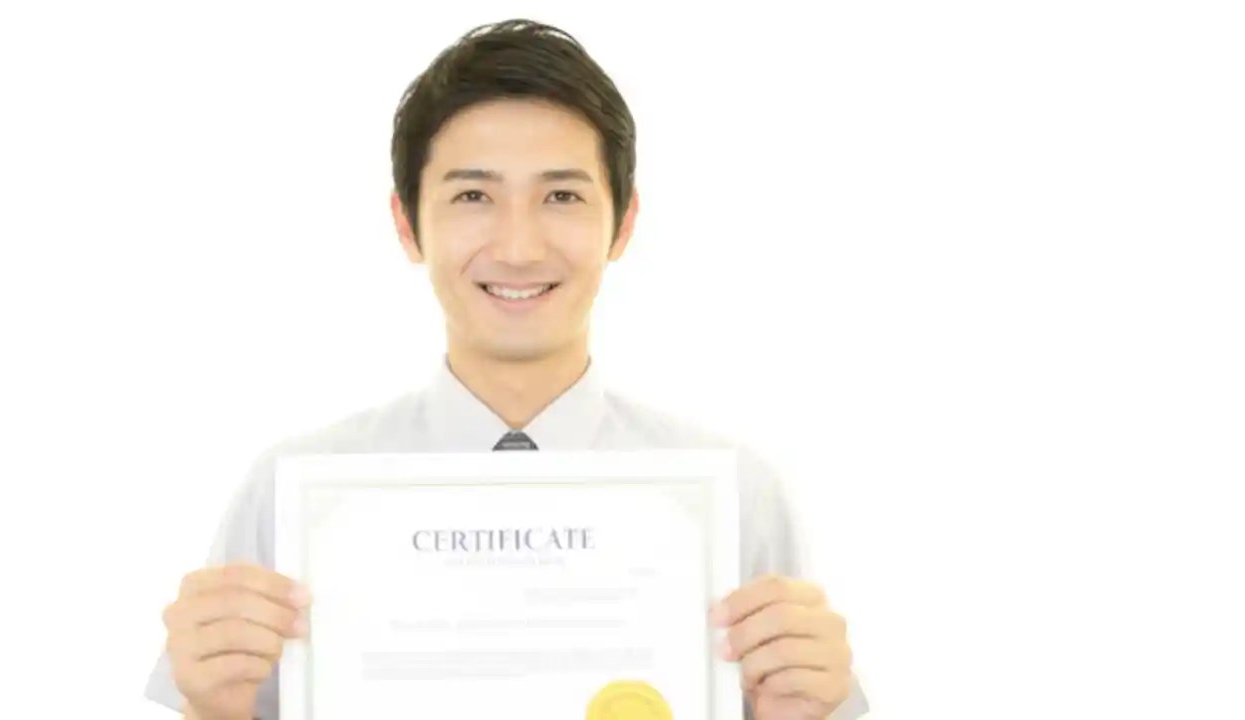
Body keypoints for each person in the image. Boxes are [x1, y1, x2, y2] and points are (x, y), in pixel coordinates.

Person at [145, 18, 869, 720]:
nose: (519, 247)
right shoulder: (291, 493)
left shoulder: (736, 497)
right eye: (472, 197)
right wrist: (214, 712)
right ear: (406, 226)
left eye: (561, 196)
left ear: (623, 223)